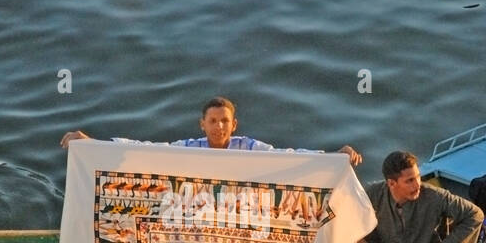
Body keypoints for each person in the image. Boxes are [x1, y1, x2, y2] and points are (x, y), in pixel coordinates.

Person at [60, 96, 363, 167]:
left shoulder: (249, 147)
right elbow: (146, 149)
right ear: (202, 125)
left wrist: (335, 158)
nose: (219, 127)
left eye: (224, 121)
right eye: (213, 121)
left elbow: (288, 157)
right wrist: (93, 143)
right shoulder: (192, 146)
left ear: (234, 125)